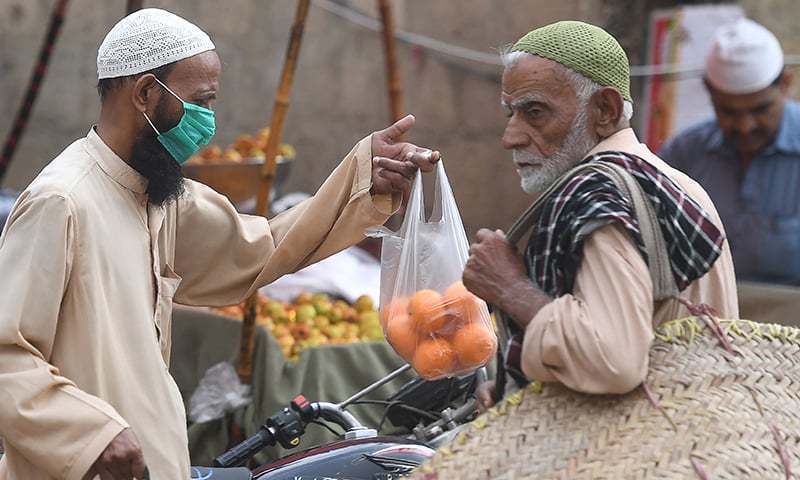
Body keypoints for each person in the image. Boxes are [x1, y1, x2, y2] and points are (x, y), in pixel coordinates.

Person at [0, 8, 439, 480]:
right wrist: (88, 433)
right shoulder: (62, 201)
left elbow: (261, 247)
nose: (209, 121)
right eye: (200, 102)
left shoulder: (158, 197)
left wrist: (361, 179)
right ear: (146, 93)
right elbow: (7, 354)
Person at [462, 21, 738, 409]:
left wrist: (511, 288)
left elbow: (613, 360)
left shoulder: (595, 191)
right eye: (512, 113)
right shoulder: (679, 185)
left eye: (535, 112)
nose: (511, 136)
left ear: (604, 110)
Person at [660, 19, 800, 285]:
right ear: (710, 93)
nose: (745, 127)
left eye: (760, 110)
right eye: (729, 112)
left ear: (786, 83)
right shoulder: (684, 155)